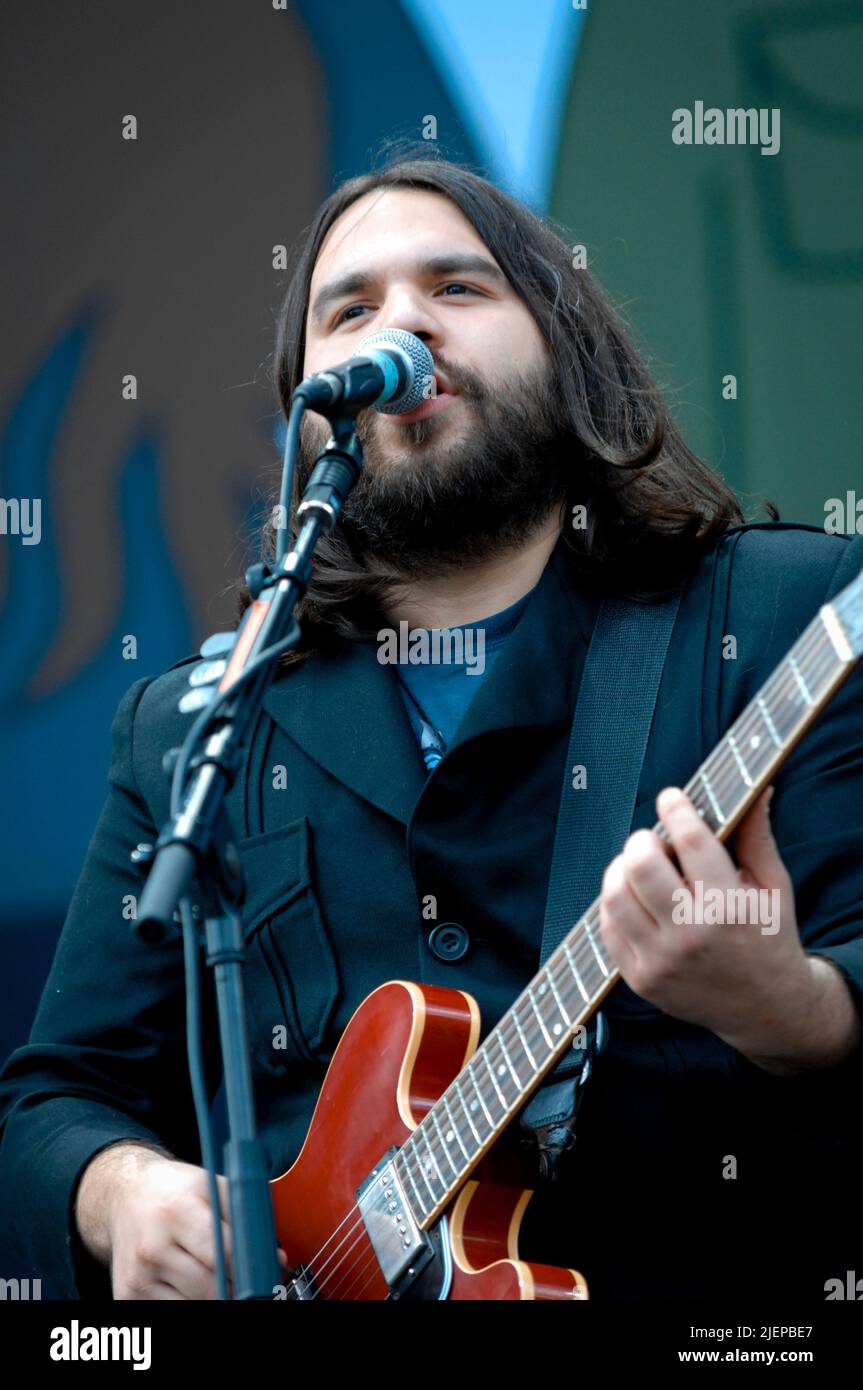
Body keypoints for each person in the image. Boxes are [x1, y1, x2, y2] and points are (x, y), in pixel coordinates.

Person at [1, 154, 862, 1303]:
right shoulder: (192, 728)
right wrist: (119, 1194)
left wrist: (794, 1011)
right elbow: (52, 1097)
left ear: (564, 354)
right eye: (348, 308)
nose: (397, 323)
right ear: (314, 405)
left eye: (456, 289)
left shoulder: (778, 617)